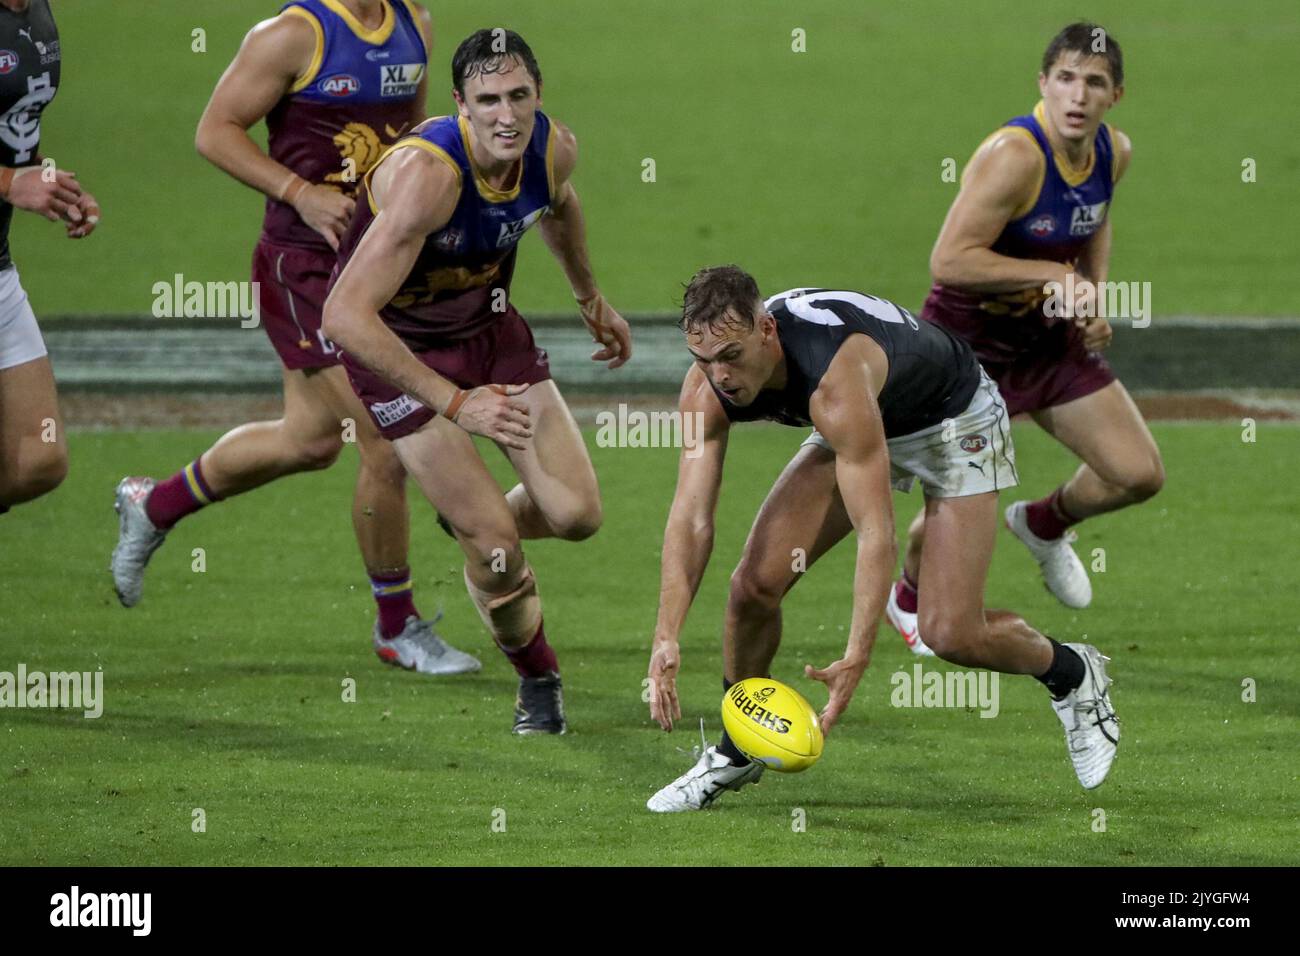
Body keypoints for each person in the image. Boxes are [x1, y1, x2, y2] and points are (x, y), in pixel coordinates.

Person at [645, 267, 1118, 812]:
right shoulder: (705, 391)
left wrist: (855, 655)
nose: (720, 375)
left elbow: (876, 530)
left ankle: (1072, 671)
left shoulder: (832, 379)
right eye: (703, 359)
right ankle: (737, 749)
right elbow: (691, 517)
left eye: (731, 355)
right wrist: (666, 634)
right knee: (753, 586)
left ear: (767, 331)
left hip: (953, 419)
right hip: (864, 423)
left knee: (951, 633)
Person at [110, 0, 479, 675]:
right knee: (384, 432)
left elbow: (414, 139)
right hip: (301, 268)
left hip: (369, 262)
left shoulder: (414, 23)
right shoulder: (292, 34)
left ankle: (152, 503)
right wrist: (299, 192)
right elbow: (215, 130)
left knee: (309, 439)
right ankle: (396, 625)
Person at [321, 29, 632, 734]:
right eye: (487, 99)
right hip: (398, 356)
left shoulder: (552, 149)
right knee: (497, 552)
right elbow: (343, 314)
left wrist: (589, 297)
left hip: (489, 333)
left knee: (578, 515)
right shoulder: (430, 179)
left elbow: (560, 205)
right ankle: (539, 677)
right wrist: (459, 405)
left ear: (538, 96)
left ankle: (468, 515)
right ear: (459, 104)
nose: (506, 116)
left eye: (519, 96)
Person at [889, 22, 1162, 654]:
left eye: (1094, 83)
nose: (1078, 95)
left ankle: (1043, 524)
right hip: (967, 350)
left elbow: (1093, 221)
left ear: (1115, 95)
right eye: (1065, 78)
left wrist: (1091, 295)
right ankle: (906, 597)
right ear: (1043, 83)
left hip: (1046, 341)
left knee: (1137, 472)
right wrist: (1054, 275)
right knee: (948, 511)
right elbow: (949, 260)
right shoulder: (1014, 157)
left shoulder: (1113, 152)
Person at [0, 0, 99, 516]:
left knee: (39, 459)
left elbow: (14, 130)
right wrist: (8, 183)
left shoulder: (35, 13)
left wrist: (49, 181)